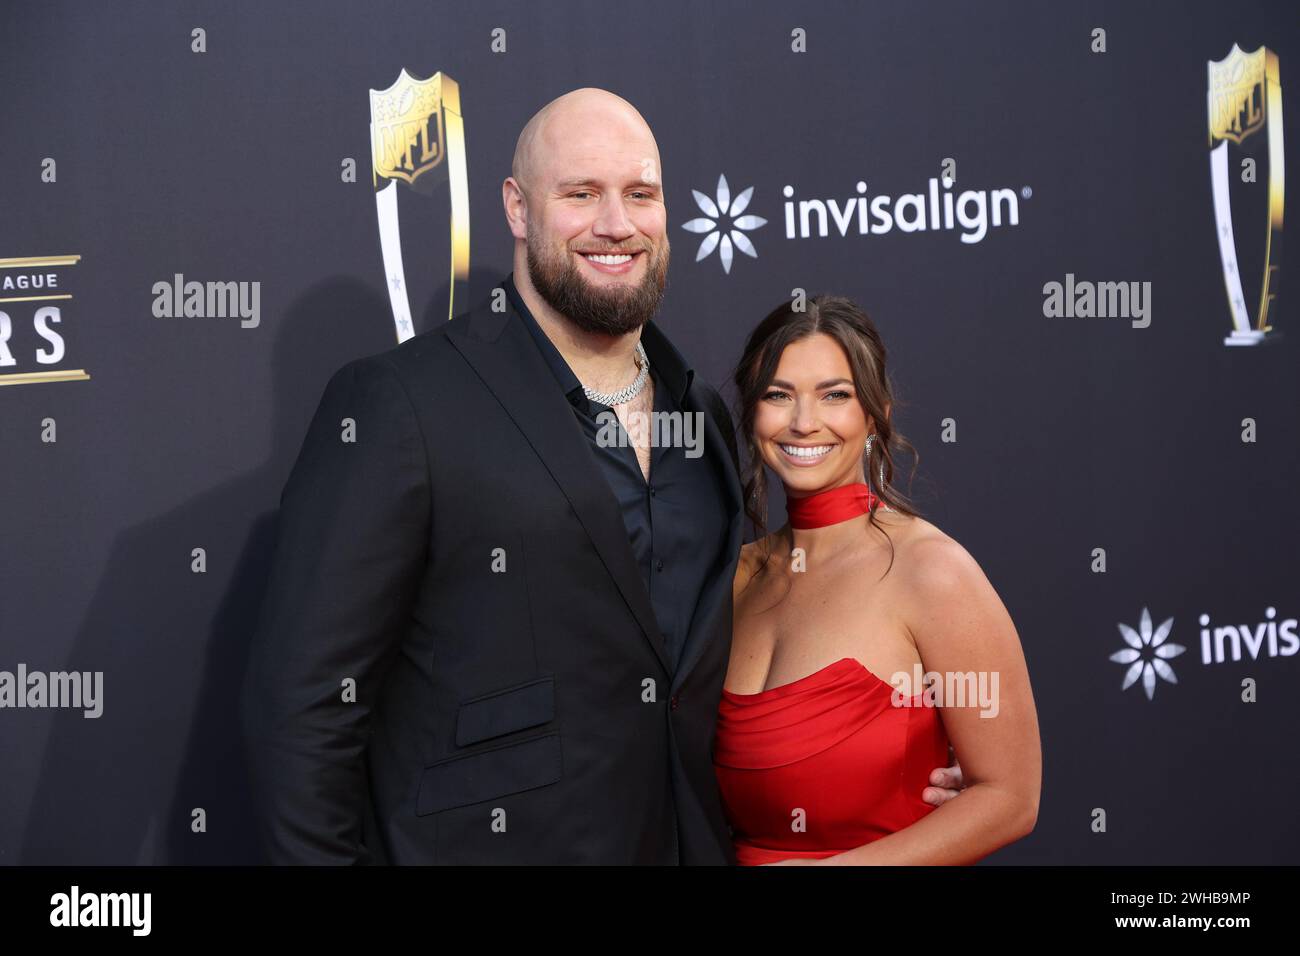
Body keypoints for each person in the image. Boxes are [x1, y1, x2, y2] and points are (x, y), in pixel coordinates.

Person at [240, 88, 964, 865]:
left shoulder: (706, 420)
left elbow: (721, 670)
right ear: (517, 209)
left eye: (640, 195)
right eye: (581, 194)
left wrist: (873, 769)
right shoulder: (402, 404)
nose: (616, 224)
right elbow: (302, 711)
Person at [714, 295, 1041, 864]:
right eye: (777, 395)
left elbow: (1010, 797)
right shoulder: (735, 577)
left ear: (876, 414)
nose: (803, 422)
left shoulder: (932, 572)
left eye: (834, 395)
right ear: (751, 413)